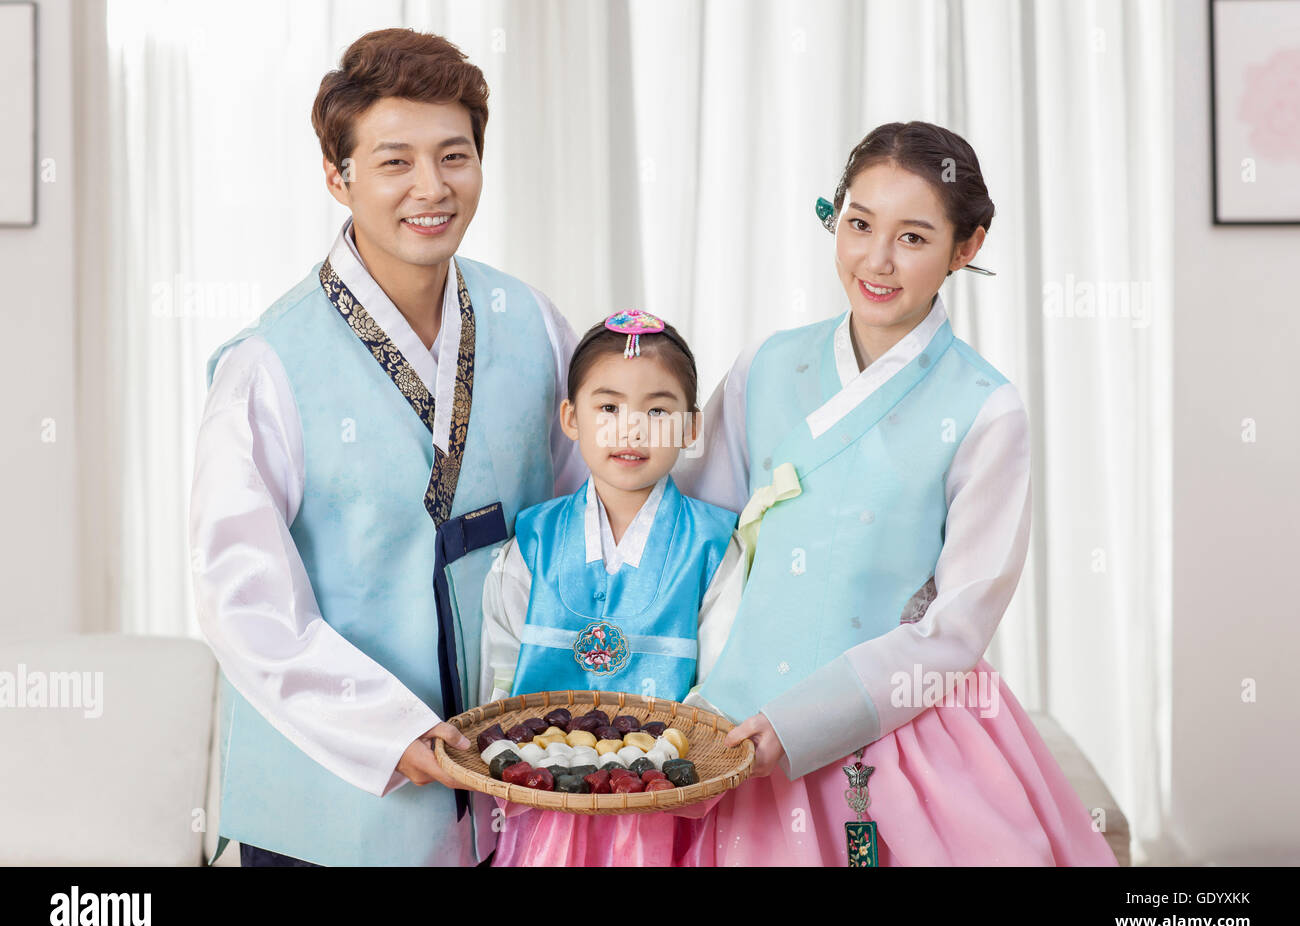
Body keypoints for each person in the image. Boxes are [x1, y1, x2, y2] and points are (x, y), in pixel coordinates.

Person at [189, 28, 585, 867]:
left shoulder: (537, 326)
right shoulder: (267, 367)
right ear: (339, 176)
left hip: (516, 797)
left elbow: (583, 524)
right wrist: (389, 732)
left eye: (455, 155)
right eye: (395, 161)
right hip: (333, 807)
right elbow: (246, 606)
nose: (432, 188)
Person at [673, 121, 1118, 866]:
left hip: (893, 718)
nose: (876, 261)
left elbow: (956, 624)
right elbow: (696, 536)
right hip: (734, 714)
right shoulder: (768, 366)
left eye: (913, 238)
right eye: (859, 225)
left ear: (966, 247)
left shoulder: (986, 406)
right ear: (834, 220)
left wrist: (805, 722)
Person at [479, 313, 744, 866]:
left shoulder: (715, 546)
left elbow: (723, 685)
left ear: (691, 427)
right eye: (608, 407)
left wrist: (657, 768)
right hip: (543, 802)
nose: (632, 429)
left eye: (657, 409)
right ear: (571, 418)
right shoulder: (533, 539)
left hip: (666, 804)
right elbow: (498, 676)